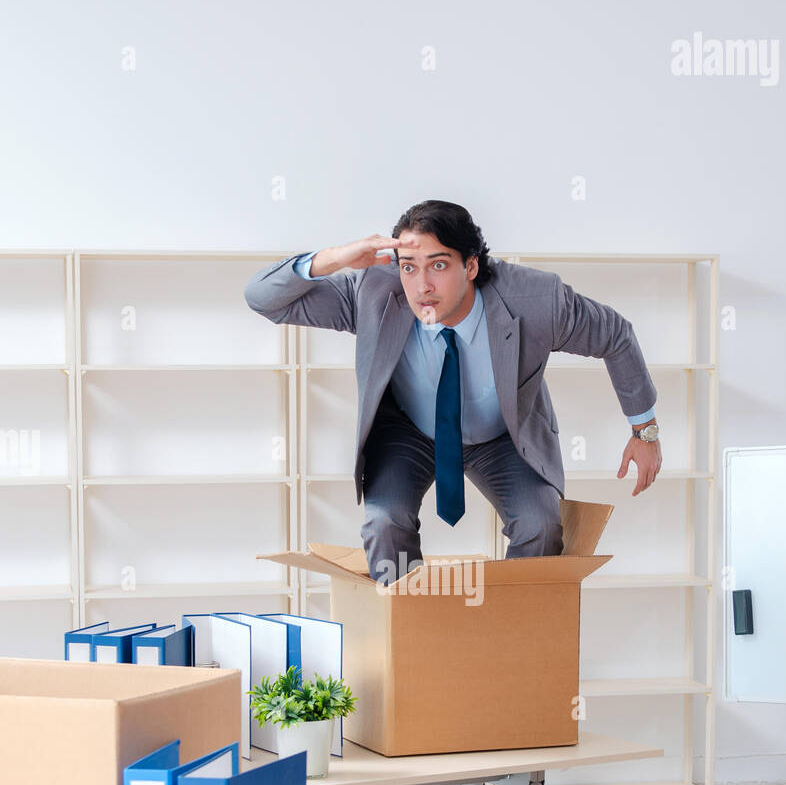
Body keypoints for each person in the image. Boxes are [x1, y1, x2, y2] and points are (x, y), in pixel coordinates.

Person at [245, 199, 661, 583]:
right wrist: (333, 258)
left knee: (541, 527)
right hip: (411, 432)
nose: (421, 284)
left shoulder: (537, 300)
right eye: (408, 266)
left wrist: (645, 431)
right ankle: (413, 632)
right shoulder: (375, 291)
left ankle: (509, 638)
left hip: (503, 437)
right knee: (383, 523)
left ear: (471, 266)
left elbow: (615, 335)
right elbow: (263, 298)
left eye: (438, 265)